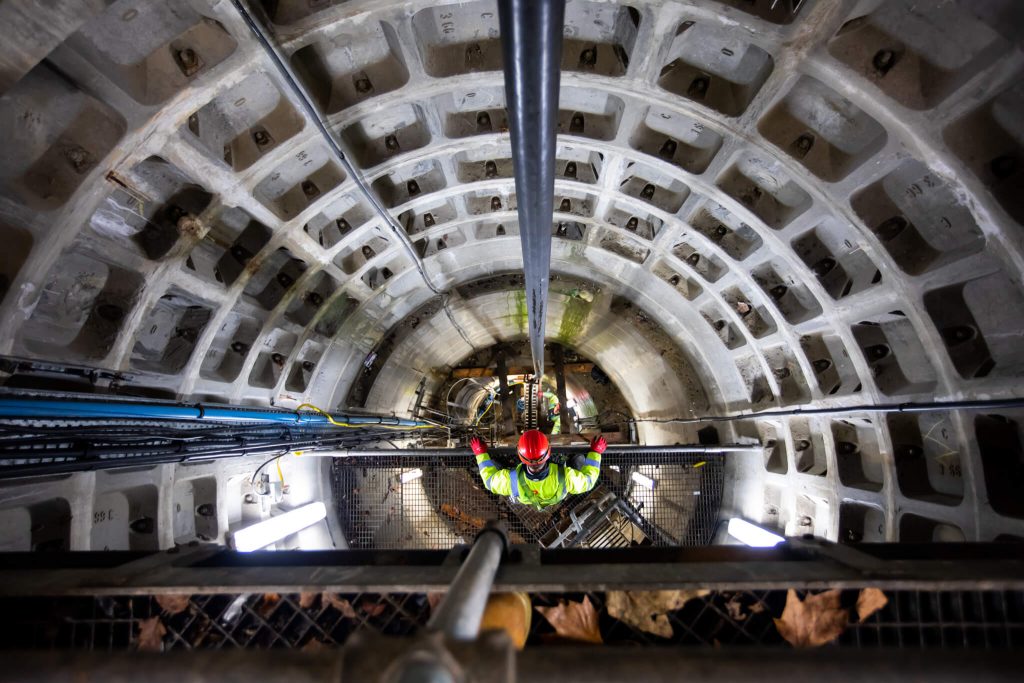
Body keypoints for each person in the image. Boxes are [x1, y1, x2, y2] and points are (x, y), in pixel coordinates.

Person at [471, 430, 606, 510]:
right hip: (553, 497)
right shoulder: (566, 477)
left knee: (495, 463)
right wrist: (596, 452)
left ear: (520, 455)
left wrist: (480, 452)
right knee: (578, 459)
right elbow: (588, 481)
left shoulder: (511, 481)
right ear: (549, 451)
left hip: (527, 498)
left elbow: (489, 481)